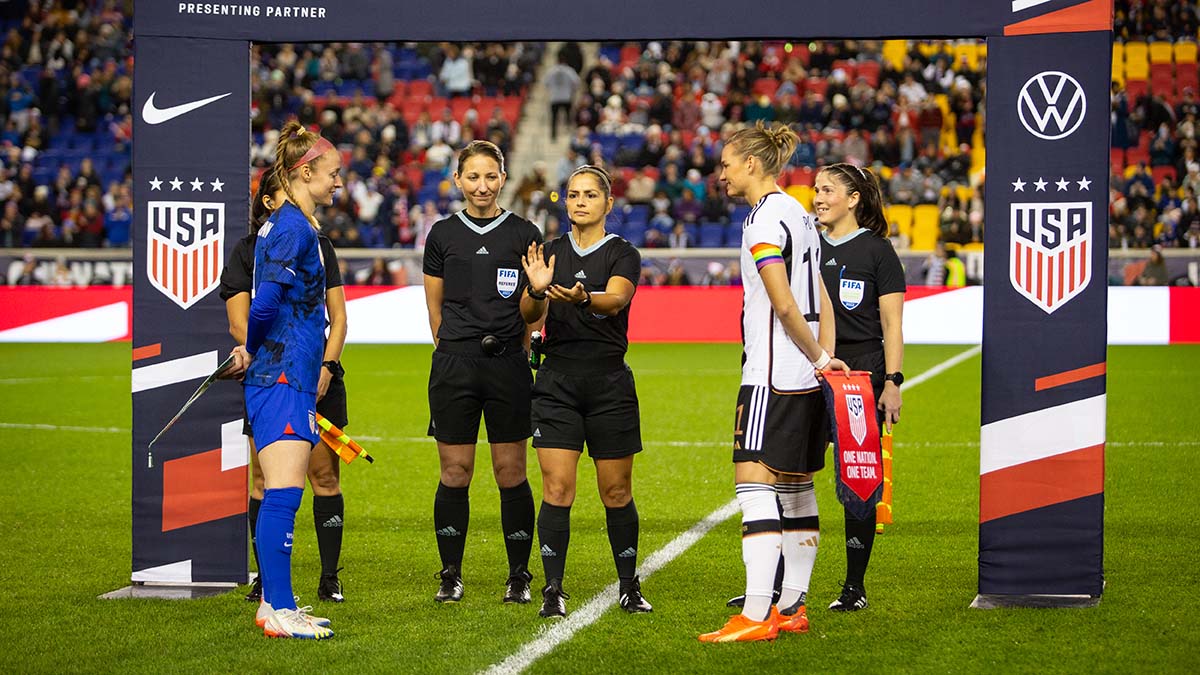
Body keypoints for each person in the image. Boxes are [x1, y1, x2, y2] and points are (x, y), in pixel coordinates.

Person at [700, 122, 848, 643]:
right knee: (798, 485)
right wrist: (824, 361)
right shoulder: (802, 216)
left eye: (727, 164)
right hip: (803, 377)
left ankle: (756, 614)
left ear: (752, 165)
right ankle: (791, 607)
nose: (721, 173)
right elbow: (823, 299)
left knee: (754, 484)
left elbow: (784, 303)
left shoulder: (765, 219)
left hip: (768, 373)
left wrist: (816, 355)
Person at [223, 120, 342, 640]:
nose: (338, 181)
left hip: (284, 373)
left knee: (281, 490)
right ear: (304, 172)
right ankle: (280, 609)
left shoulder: (293, 225)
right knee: (284, 493)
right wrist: (252, 346)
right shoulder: (292, 228)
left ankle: (274, 604)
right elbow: (267, 300)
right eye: (332, 173)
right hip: (283, 375)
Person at [518, 165, 653, 618]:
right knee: (557, 487)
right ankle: (553, 589)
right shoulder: (549, 251)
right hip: (556, 381)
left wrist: (582, 298)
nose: (579, 202)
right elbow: (529, 314)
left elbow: (616, 300)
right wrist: (537, 290)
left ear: (607, 203)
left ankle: (629, 585)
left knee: (616, 491)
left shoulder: (623, 253)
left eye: (590, 195)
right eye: (573, 194)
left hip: (609, 382)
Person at [422, 140, 542, 605]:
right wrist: (453, 346)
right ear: (458, 180)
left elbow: (533, 311)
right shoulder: (441, 235)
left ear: (503, 179)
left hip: (507, 365)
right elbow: (434, 310)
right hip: (454, 364)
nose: (482, 186)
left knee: (511, 471)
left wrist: (517, 346)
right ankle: (450, 573)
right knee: (455, 471)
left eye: (490, 176)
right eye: (472, 176)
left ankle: (519, 575)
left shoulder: (524, 232)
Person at [814, 163, 906, 612]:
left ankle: (854, 586)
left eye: (828, 189)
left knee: (859, 483)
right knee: (789, 475)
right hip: (809, 373)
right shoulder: (807, 246)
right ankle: (777, 584)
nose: (818, 197)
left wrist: (892, 382)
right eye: (816, 189)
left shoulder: (877, 252)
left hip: (860, 380)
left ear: (853, 199)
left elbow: (892, 324)